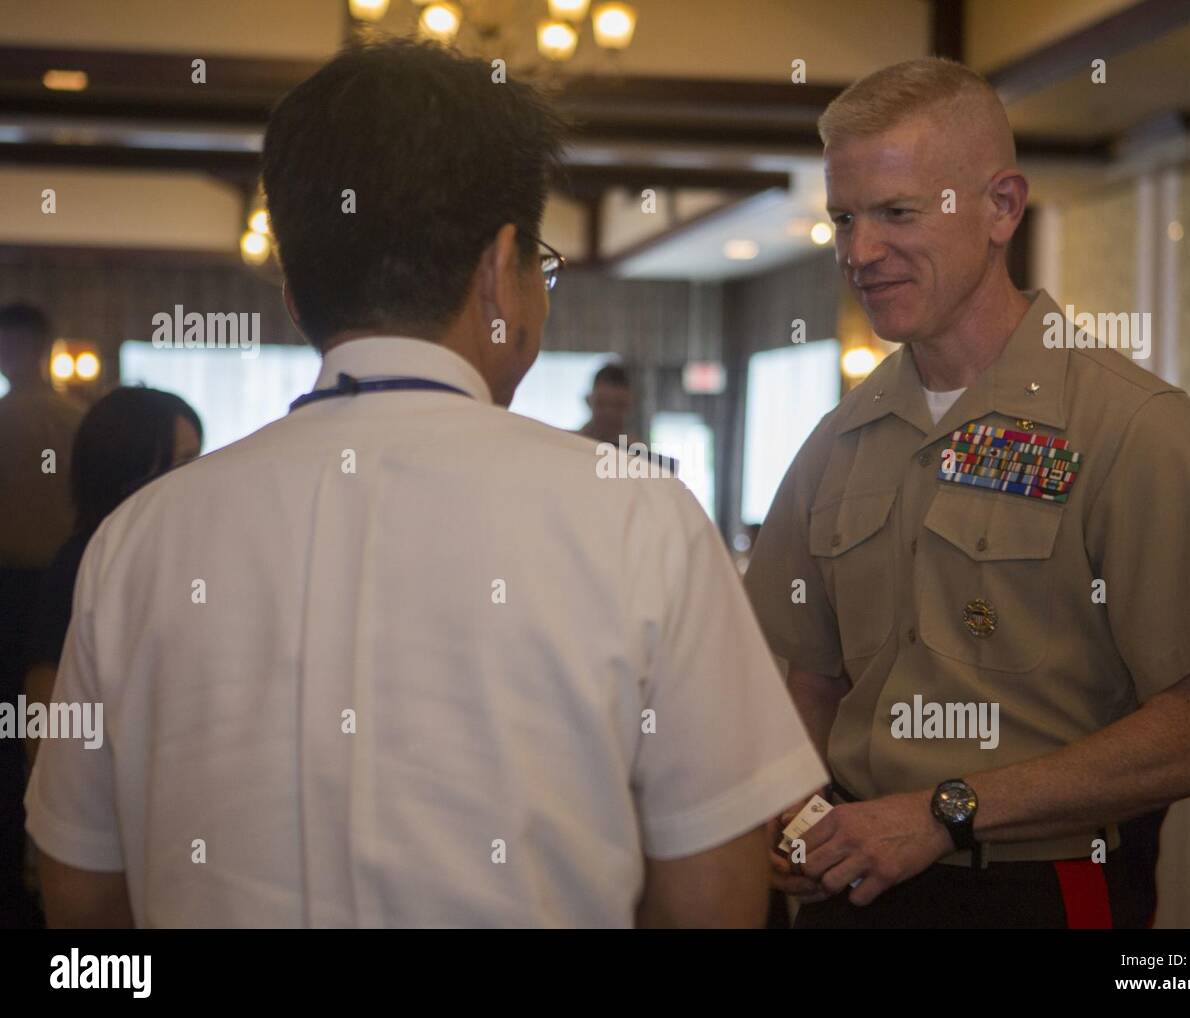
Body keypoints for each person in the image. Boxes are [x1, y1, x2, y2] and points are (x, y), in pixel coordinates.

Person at [25, 38, 825, 929]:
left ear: (295, 291)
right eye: (542, 269)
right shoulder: (640, 515)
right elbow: (712, 895)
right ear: (499, 271)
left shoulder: (137, 540)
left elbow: (81, 890)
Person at [743, 57, 1190, 929]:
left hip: (1037, 889)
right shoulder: (839, 438)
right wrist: (801, 816)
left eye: (897, 213)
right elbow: (815, 678)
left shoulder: (1129, 423)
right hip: (857, 885)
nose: (859, 252)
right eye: (845, 218)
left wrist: (941, 812)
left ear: (1000, 207)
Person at [24, 386, 203, 765]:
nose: (196, 478)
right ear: (130, 466)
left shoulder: (187, 553)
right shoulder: (84, 559)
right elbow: (47, 698)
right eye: (183, 462)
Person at [0, 302, 83, 928]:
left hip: (10, 591)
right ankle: (47, 880)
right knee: (52, 737)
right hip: (62, 593)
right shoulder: (79, 422)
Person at [575, 362, 636, 446]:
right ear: (588, 401)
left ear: (629, 405)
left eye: (618, 405)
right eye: (602, 403)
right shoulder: (568, 445)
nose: (609, 412)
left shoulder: (638, 454)